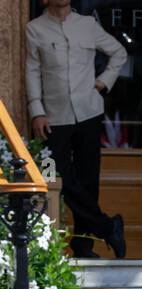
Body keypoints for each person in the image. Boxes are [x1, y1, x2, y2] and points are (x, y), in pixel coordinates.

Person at [25, 0, 127, 258]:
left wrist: (103, 82)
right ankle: (108, 226)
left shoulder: (87, 25)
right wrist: (37, 110)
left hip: (89, 112)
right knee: (58, 175)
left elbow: (119, 53)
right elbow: (32, 71)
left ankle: (83, 246)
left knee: (88, 180)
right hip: (53, 117)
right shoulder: (35, 28)